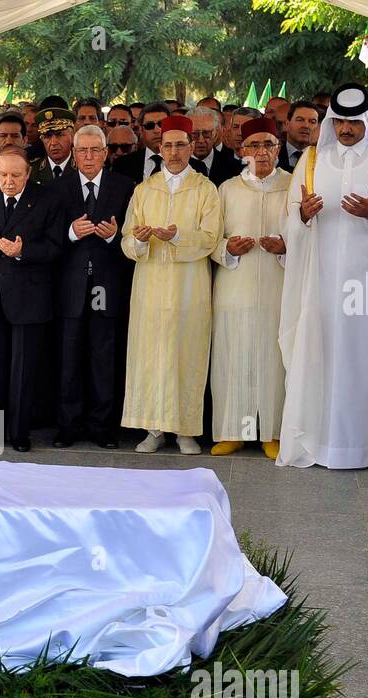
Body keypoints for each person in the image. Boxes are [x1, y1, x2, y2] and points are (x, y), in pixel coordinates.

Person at [277, 83, 368, 469]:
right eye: (341, 121)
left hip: (365, 284)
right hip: (319, 280)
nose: (346, 129)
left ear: (366, 122)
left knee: (359, 358)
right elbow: (289, 219)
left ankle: (358, 447)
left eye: (354, 122)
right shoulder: (313, 160)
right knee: (320, 353)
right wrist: (303, 215)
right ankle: (317, 442)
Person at [120, 114, 221, 455]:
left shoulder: (206, 190)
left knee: (187, 353)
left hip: (189, 289)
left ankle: (186, 431)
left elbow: (210, 239)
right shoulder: (144, 190)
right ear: (158, 148)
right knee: (150, 355)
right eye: (168, 145)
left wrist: (176, 235)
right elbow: (126, 241)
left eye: (181, 144)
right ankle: (153, 429)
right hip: (149, 288)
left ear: (192, 147)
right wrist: (142, 240)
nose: (174, 152)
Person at [0, 145, 64, 452]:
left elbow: (56, 247)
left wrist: (23, 252)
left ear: (28, 173)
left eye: (16, 175)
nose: (9, 181)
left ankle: (20, 432)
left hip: (28, 294)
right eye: (3, 175)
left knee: (24, 369)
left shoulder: (47, 198)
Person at [209, 118, 291, 458]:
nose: (261, 152)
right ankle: (237, 431)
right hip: (236, 288)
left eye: (268, 144)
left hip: (277, 287)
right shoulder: (227, 189)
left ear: (278, 148)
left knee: (273, 361)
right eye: (254, 145)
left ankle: (271, 431)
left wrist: (285, 247)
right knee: (236, 358)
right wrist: (228, 247)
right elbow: (210, 238)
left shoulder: (292, 185)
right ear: (242, 151)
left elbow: (307, 236)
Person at [53, 124, 134, 449]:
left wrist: (113, 236)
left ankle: (102, 426)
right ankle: (68, 426)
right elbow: (46, 238)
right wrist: (71, 232)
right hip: (70, 288)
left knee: (103, 357)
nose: (89, 156)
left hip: (108, 286)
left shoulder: (125, 186)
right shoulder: (58, 189)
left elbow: (132, 239)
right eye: (82, 150)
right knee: (68, 358)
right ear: (74, 154)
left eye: (95, 150)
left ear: (105, 153)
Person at [190, 106, 241, 185]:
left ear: (216, 134)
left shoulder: (235, 168)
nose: (201, 140)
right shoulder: (178, 167)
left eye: (206, 133)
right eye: (194, 134)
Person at [29, 108, 75, 184]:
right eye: (47, 136)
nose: (53, 142)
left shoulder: (83, 168)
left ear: (72, 135)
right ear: (42, 139)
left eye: (59, 134)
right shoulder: (31, 171)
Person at [280, 101, 318, 172]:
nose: (306, 126)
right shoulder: (273, 154)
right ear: (286, 124)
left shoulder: (322, 157)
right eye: (300, 120)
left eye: (312, 122)